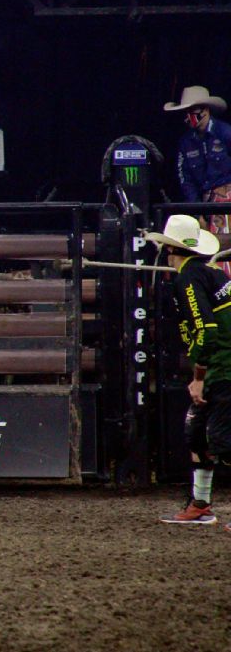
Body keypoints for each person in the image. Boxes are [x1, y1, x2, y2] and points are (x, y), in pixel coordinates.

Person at [144, 216, 231, 526]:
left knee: (221, 439)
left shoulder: (188, 279)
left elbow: (206, 329)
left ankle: (201, 504)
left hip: (223, 368)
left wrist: (198, 377)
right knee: (198, 435)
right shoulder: (209, 274)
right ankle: (200, 503)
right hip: (220, 364)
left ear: (170, 249)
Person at [168, 86, 231, 275]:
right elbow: (185, 180)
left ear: (204, 110)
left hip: (228, 201)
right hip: (206, 204)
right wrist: (198, 213)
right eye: (186, 113)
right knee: (210, 248)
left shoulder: (225, 133)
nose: (188, 117)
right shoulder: (186, 142)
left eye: (192, 112)